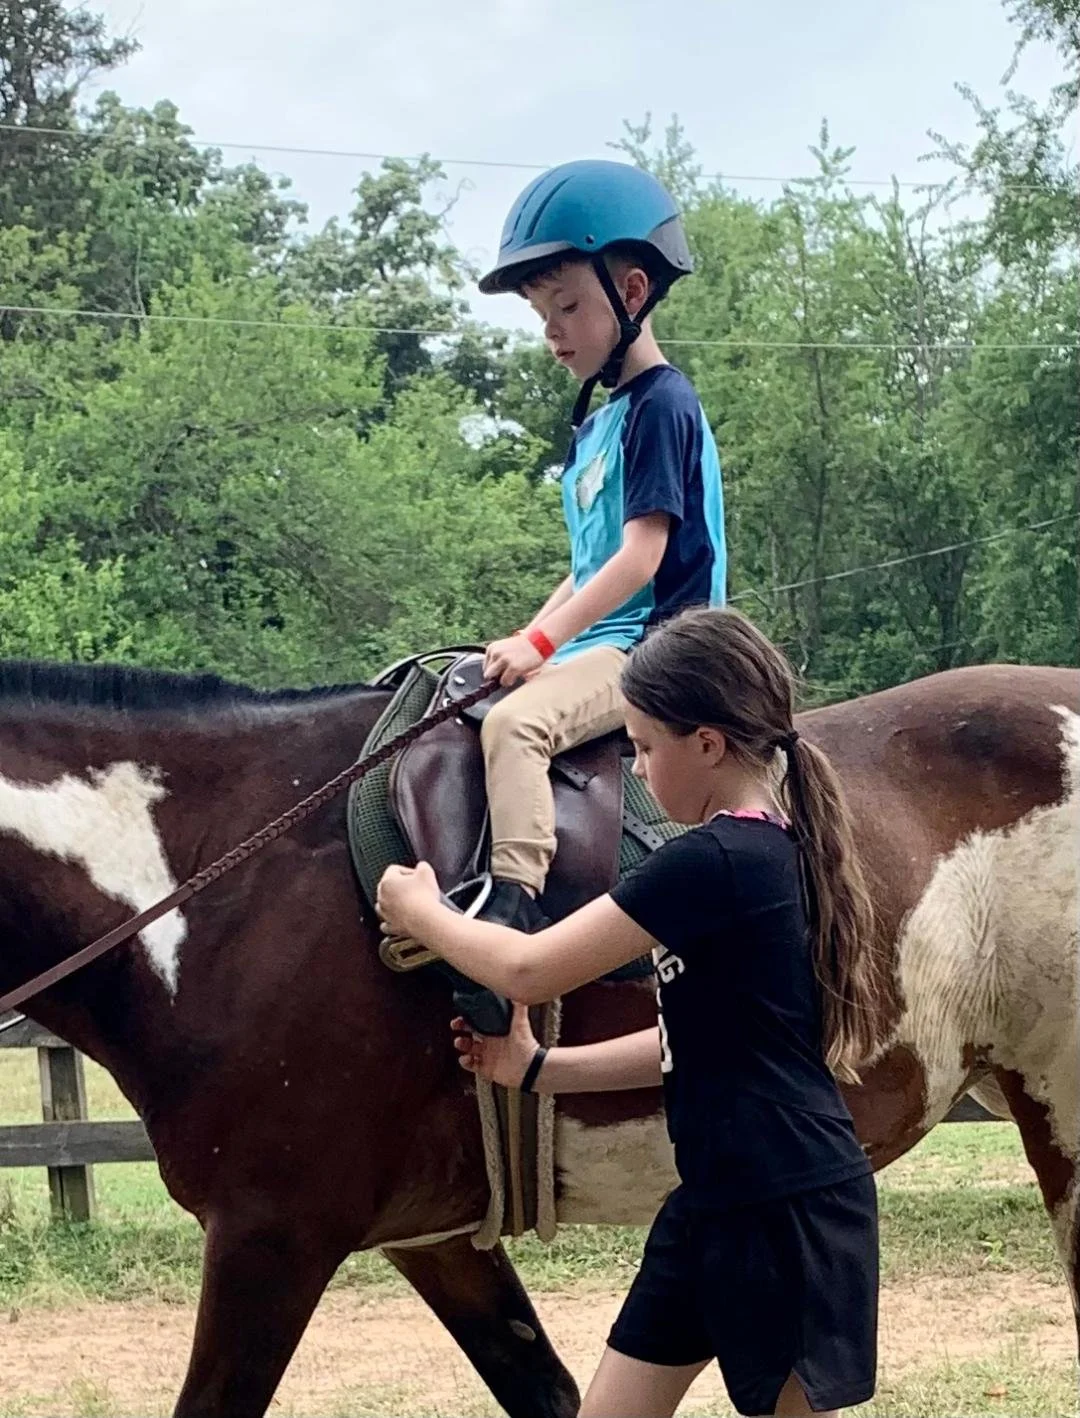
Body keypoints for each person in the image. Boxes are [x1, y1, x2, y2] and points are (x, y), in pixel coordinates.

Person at [377, 606, 892, 1418]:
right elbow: (690, 1043)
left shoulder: (715, 861)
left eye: (646, 748)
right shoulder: (756, 855)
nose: (640, 771)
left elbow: (529, 968)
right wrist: (538, 1069)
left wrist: (422, 913)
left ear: (709, 745)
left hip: (785, 1213)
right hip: (711, 1206)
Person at [451, 159, 725, 1035]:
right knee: (470, 696)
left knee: (514, 726)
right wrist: (532, 633)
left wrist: (540, 650)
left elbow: (641, 560)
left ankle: (514, 914)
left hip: (661, 649)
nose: (552, 332)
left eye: (567, 306)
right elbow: (588, 561)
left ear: (633, 287)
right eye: (542, 315)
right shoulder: (599, 419)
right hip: (603, 636)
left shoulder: (662, 406)